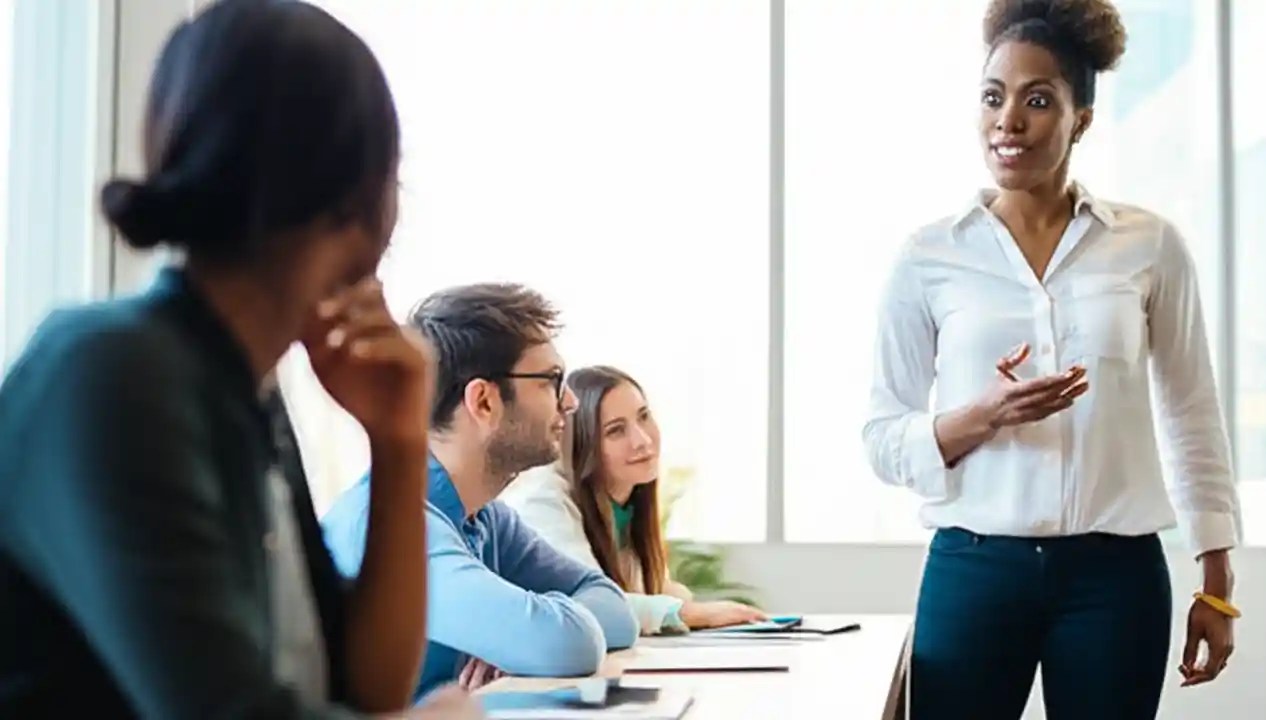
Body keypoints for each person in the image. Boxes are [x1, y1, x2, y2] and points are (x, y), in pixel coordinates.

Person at [0, 2, 482, 718]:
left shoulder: (238, 385)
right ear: (366, 199)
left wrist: (399, 441)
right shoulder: (115, 373)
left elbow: (366, 687)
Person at [862, 1, 1242, 717]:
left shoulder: (1149, 245)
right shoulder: (929, 256)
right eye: (992, 97)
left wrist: (1216, 581)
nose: (1009, 120)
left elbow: (1193, 413)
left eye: (1038, 100)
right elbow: (883, 437)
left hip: (1115, 577)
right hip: (974, 567)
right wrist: (979, 418)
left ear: (1081, 120)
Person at [322, 284, 639, 697]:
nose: (572, 402)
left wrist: (521, 635)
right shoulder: (392, 524)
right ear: (484, 402)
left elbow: (616, 611)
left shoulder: (486, 518)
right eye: (552, 381)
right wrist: (531, 634)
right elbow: (564, 644)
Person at [503, 366, 768, 635]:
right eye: (616, 431)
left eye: (644, 417)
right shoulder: (543, 501)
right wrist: (690, 613)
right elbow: (590, 604)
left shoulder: (624, 501)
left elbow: (646, 592)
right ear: (582, 445)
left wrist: (686, 604)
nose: (642, 440)